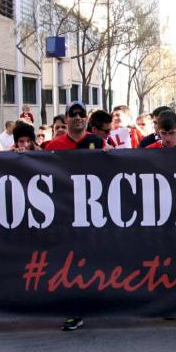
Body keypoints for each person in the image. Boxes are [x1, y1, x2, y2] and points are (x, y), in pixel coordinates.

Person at [42, 101, 105, 332]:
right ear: (66, 118)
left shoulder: (98, 142)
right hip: (64, 212)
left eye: (81, 114)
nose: (78, 117)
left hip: (93, 213)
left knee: (93, 259)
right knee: (68, 261)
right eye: (73, 114)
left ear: (86, 118)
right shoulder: (54, 145)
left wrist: (110, 156)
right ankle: (74, 310)